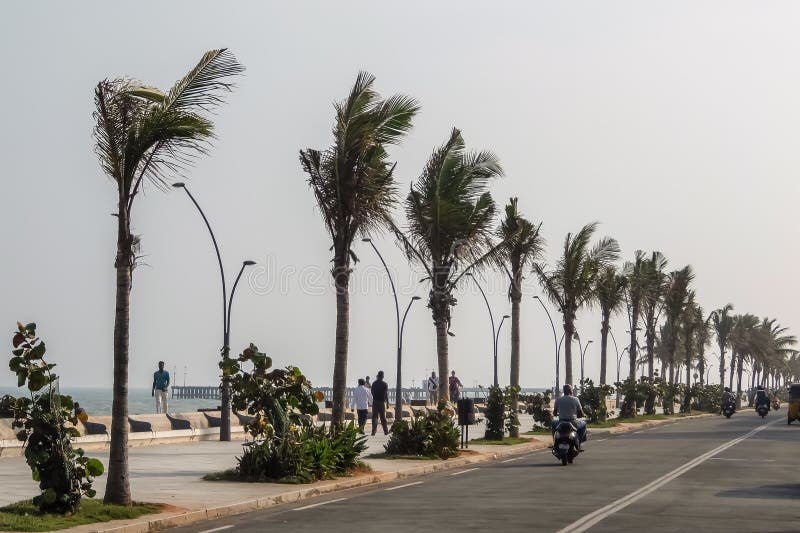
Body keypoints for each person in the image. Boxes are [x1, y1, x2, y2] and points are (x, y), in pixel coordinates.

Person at [552, 384, 587, 450]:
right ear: (571, 391)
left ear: (564, 391)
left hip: (561, 422)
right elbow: (580, 412)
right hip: (573, 422)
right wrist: (582, 415)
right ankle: (579, 443)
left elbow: (554, 412)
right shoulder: (575, 399)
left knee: (553, 424)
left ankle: (554, 442)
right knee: (584, 424)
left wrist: (557, 414)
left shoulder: (558, 399)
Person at [370, 370, 389, 435]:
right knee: (383, 417)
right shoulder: (385, 384)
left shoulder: (374, 383)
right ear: (382, 376)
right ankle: (386, 431)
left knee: (374, 417)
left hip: (375, 402)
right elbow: (386, 394)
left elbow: (372, 392)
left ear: (378, 376)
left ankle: (373, 431)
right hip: (382, 402)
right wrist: (388, 403)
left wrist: (375, 397)